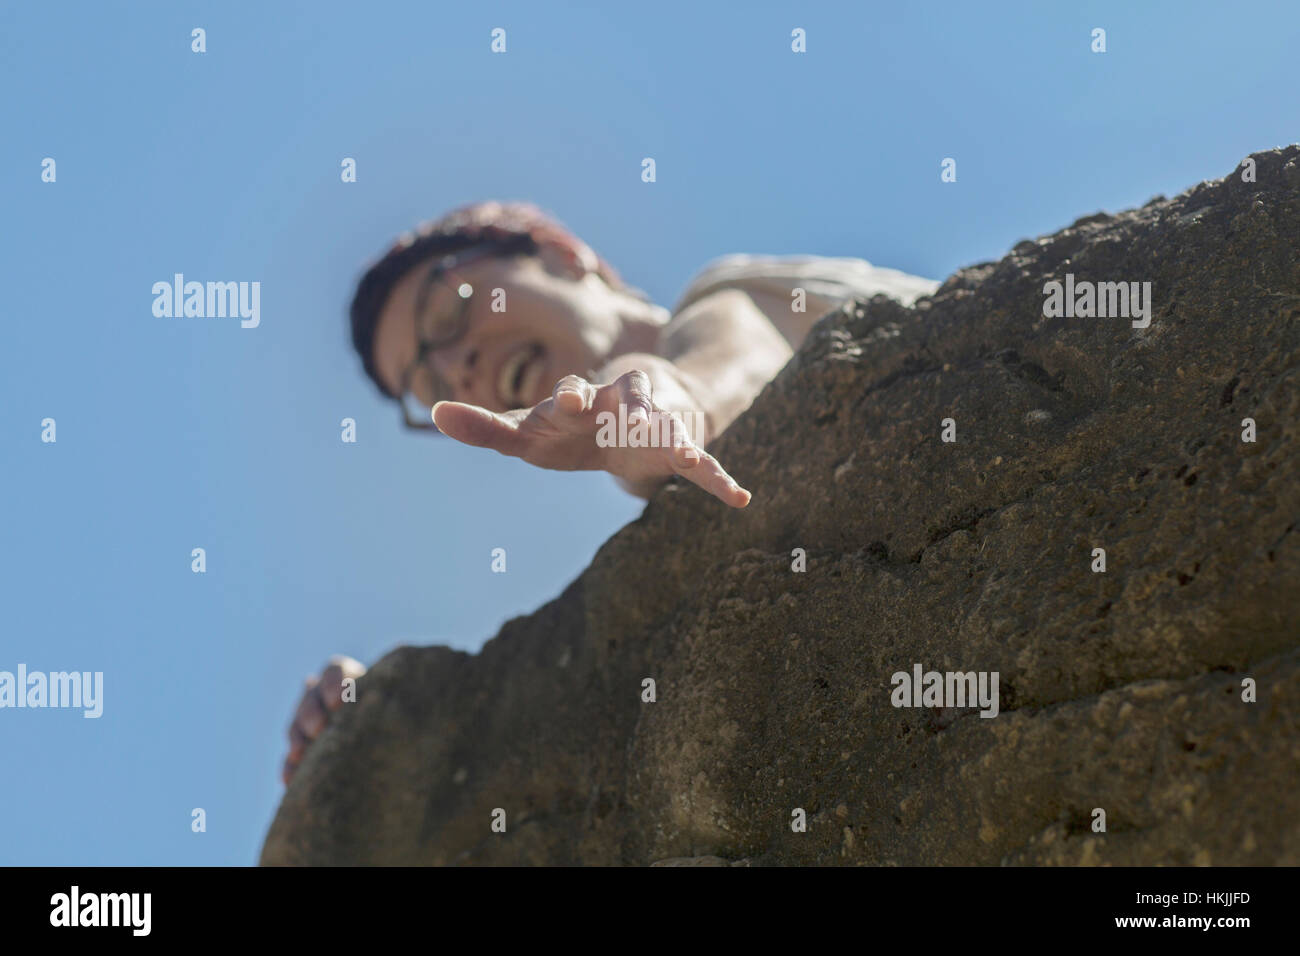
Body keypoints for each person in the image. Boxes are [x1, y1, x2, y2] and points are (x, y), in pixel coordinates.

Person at [281, 200, 939, 784]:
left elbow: (721, 364)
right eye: (429, 389)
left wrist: (656, 400)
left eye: (451, 310)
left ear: (563, 255)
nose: (458, 367)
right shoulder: (669, 528)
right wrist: (390, 715)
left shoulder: (735, 295)